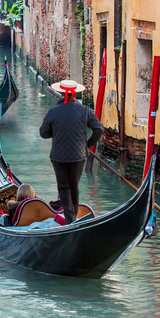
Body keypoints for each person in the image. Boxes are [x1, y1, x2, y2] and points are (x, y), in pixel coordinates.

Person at [39, 79, 104, 224]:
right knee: (74, 187)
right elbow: (99, 129)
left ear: (61, 92)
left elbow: (43, 133)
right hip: (79, 156)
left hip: (59, 156)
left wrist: (56, 132)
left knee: (63, 187)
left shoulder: (53, 111)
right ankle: (72, 218)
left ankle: (70, 220)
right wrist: (87, 145)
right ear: (75, 93)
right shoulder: (85, 110)